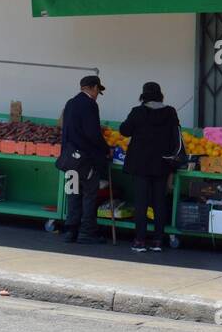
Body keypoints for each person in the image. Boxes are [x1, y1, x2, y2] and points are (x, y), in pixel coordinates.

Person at [120, 81, 182, 253]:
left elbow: (124, 130)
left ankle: (139, 241)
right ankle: (157, 241)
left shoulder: (138, 112)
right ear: (160, 94)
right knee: (159, 202)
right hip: (162, 164)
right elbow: (176, 136)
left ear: (143, 95)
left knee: (141, 203)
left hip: (140, 165)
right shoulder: (170, 112)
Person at [59, 74, 111, 245]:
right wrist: (106, 149)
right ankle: (87, 232)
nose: (97, 95)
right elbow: (92, 134)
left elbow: (66, 130)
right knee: (89, 194)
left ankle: (70, 231)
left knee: (73, 193)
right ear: (94, 87)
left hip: (70, 160)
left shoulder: (70, 103)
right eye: (97, 91)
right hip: (86, 161)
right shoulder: (90, 105)